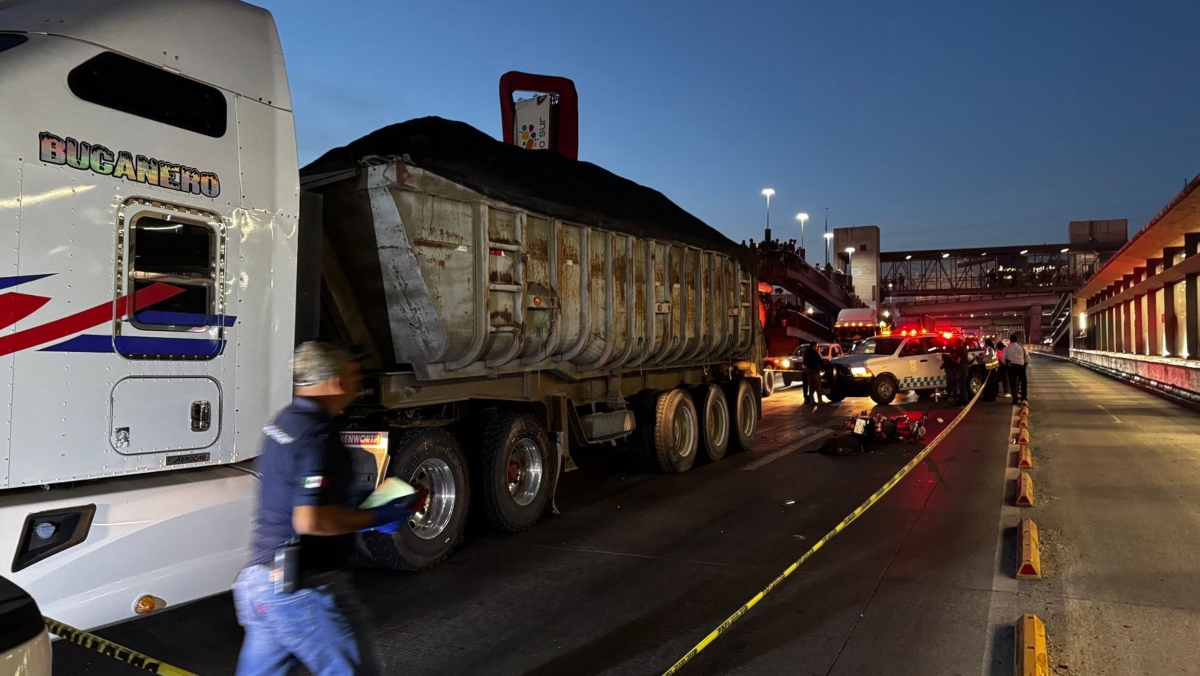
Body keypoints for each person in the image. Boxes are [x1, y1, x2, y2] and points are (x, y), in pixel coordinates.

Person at [233, 342, 425, 675]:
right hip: (303, 590)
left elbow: (294, 495)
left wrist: (355, 502)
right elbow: (310, 520)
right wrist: (377, 516)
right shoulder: (319, 433)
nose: (359, 382)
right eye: (354, 374)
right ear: (336, 381)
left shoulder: (284, 421)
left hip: (259, 584)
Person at [1005, 334, 1029, 405]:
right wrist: (1025, 365)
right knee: (1023, 382)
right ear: (1017, 340)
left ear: (1010, 340)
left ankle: (1015, 399)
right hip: (1020, 366)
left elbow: (1003, 358)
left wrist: (1007, 365)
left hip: (1011, 367)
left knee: (1013, 384)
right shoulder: (1021, 348)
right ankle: (1024, 397)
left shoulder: (1007, 348)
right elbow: (1027, 358)